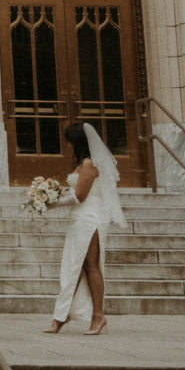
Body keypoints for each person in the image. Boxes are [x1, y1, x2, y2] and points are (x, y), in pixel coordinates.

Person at [44, 121, 125, 336]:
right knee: (73, 266)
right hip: (79, 219)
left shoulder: (89, 164)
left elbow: (80, 196)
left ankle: (97, 316)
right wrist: (51, 194)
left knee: (89, 265)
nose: (69, 147)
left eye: (70, 143)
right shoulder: (83, 164)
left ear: (79, 143)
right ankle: (61, 315)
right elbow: (75, 190)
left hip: (90, 218)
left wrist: (51, 204)